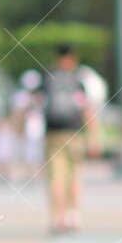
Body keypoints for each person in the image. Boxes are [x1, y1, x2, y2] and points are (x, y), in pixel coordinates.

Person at [43, 44, 100, 232]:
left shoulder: (48, 78)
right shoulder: (78, 80)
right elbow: (87, 111)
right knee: (74, 176)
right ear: (73, 58)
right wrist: (94, 137)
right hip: (74, 135)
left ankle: (55, 218)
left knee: (55, 178)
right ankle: (72, 216)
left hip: (53, 134)